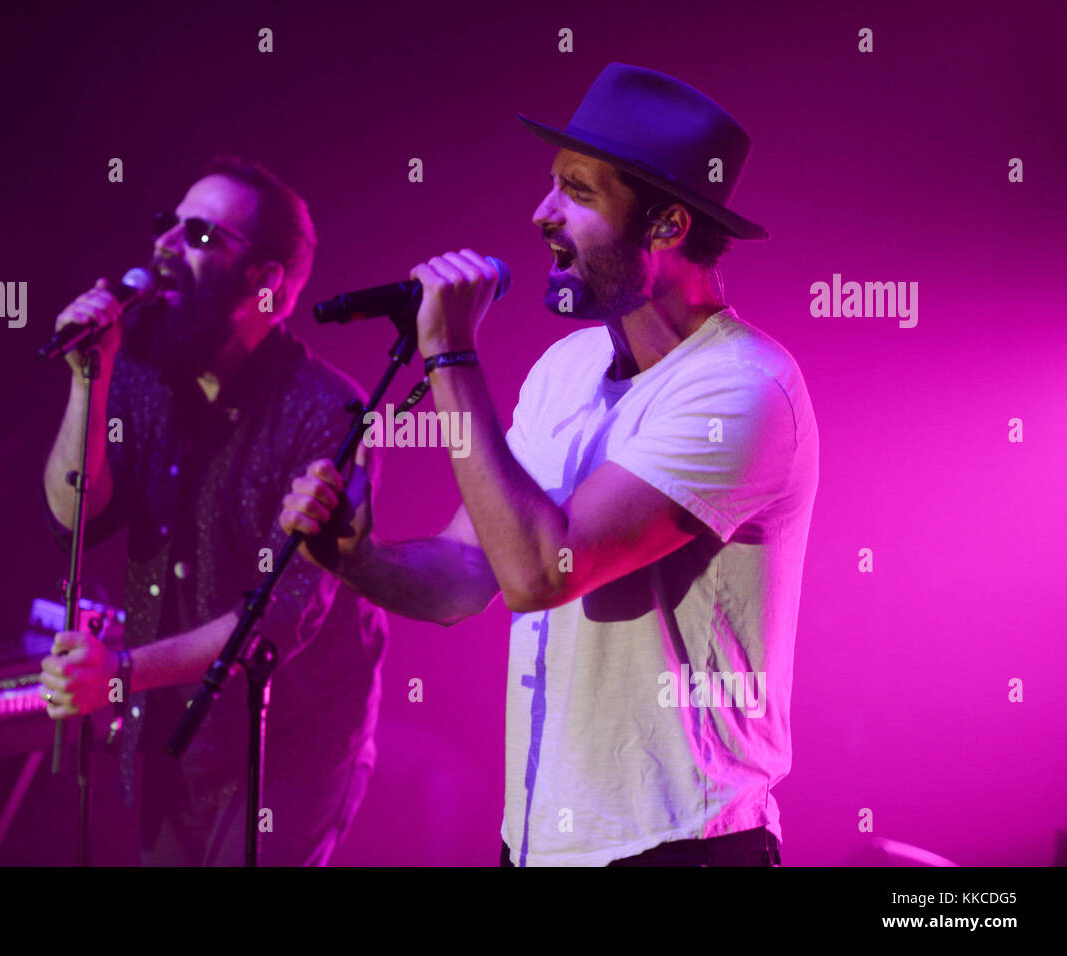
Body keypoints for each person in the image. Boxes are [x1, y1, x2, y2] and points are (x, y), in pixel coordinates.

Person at [280, 64, 818, 866]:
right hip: (541, 842)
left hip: (677, 848)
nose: (541, 215)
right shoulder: (565, 370)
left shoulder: (743, 389)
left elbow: (540, 573)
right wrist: (354, 559)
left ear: (668, 225)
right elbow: (467, 576)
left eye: (577, 191)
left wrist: (450, 353)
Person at [38, 155, 386, 866]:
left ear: (266, 284)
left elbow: (277, 622)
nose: (164, 246)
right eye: (169, 225)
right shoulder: (139, 376)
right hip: (175, 727)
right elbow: (77, 515)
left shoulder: (329, 411)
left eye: (199, 236)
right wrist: (87, 384)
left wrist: (119, 671)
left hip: (292, 741)